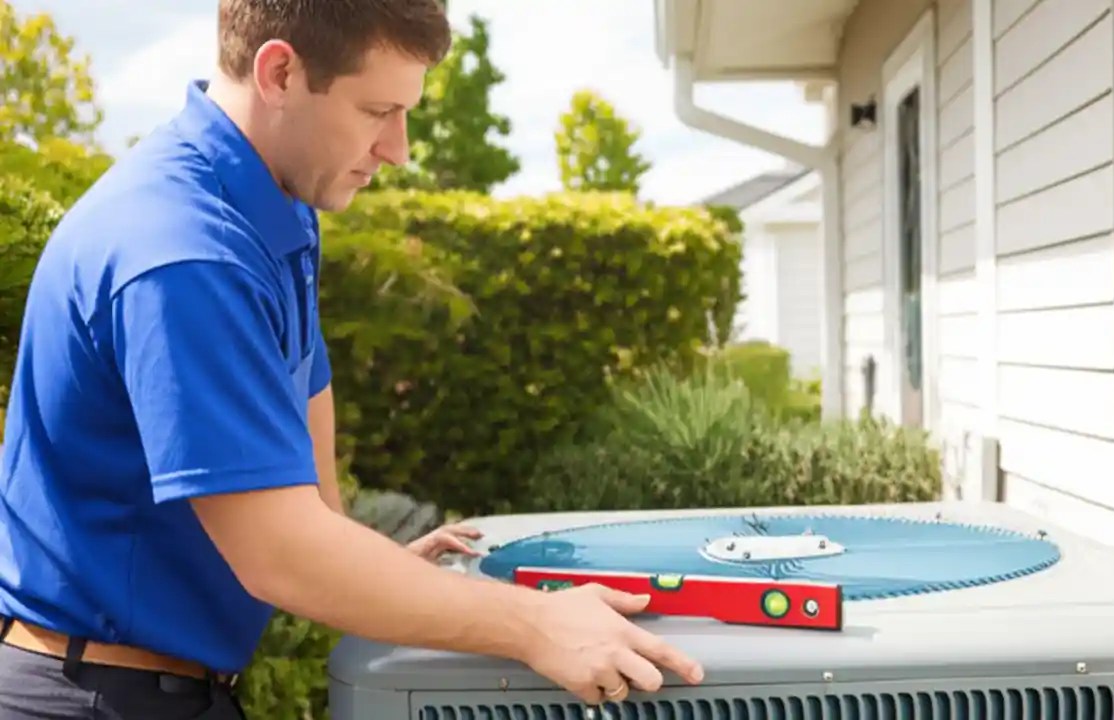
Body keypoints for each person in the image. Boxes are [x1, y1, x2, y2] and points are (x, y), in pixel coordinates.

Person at [0, 0, 704, 717]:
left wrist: (377, 572)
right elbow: (281, 555)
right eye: (377, 111)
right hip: (89, 696)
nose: (399, 149)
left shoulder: (279, 208)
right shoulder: (184, 251)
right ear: (280, 73)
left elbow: (309, 494)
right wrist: (538, 625)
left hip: (163, 688)